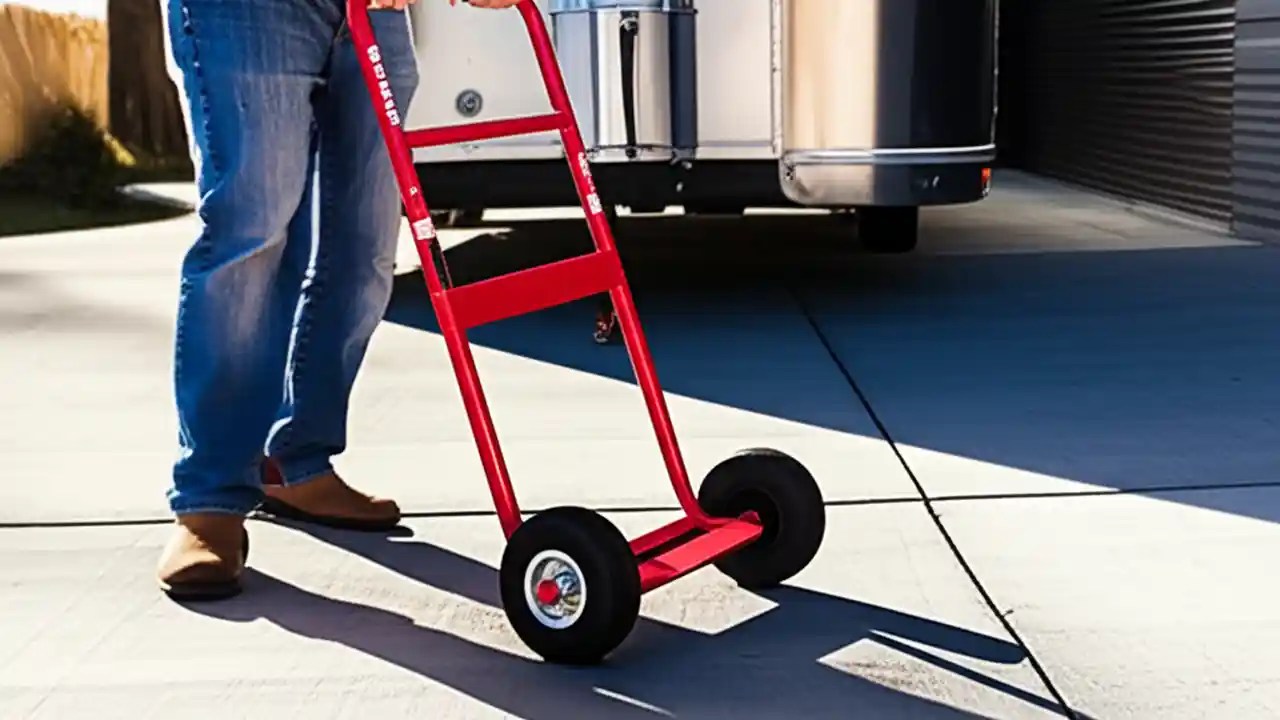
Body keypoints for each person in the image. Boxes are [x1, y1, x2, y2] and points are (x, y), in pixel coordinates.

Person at [156, 0, 526, 601]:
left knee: (363, 254)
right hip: (245, 14)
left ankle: (296, 460)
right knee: (251, 235)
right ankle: (210, 498)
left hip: (371, 16)